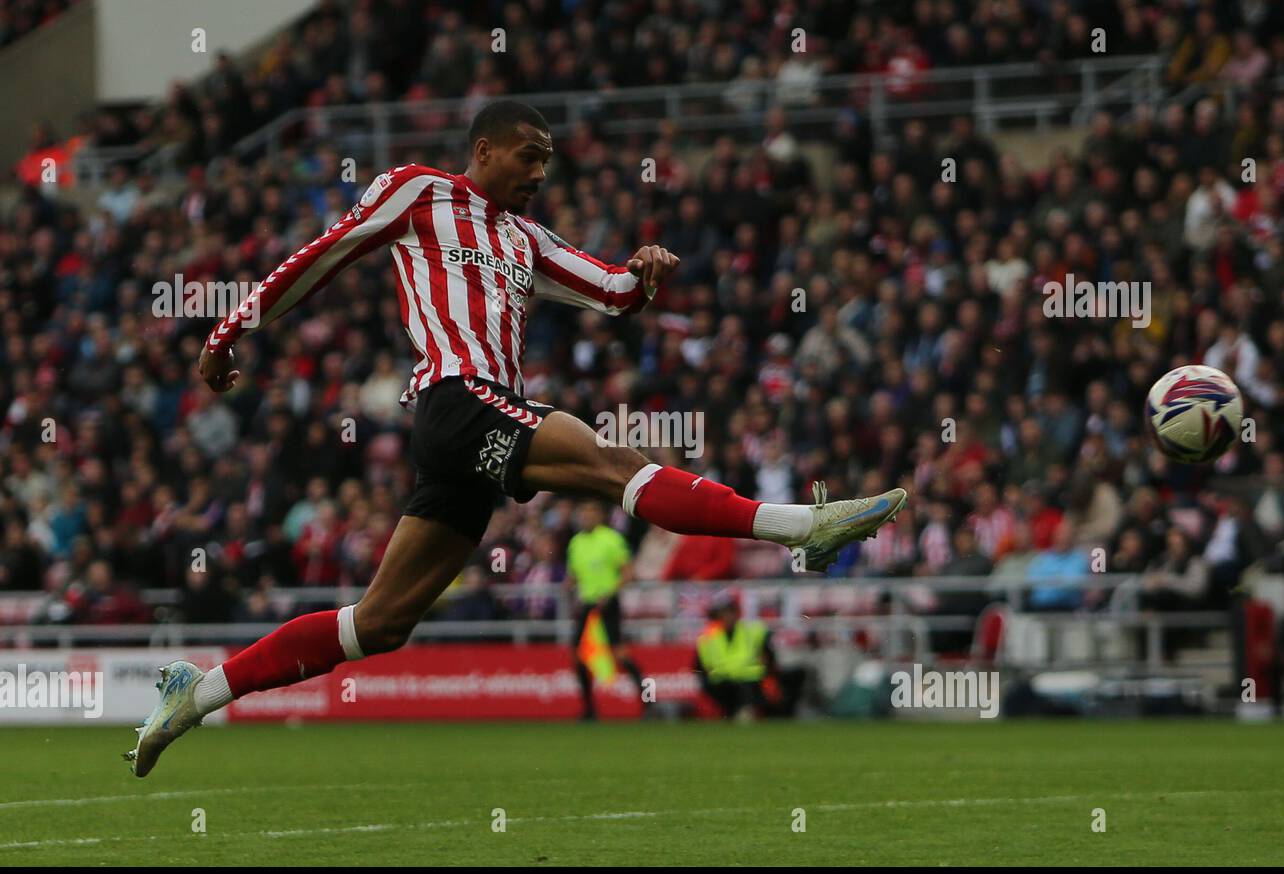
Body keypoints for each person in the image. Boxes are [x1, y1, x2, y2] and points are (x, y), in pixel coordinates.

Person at [125, 100, 906, 777]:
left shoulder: (527, 239)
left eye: (549, 161)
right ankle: (803, 527)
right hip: (454, 400)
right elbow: (321, 257)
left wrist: (643, 270)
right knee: (613, 464)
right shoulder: (417, 192)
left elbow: (610, 291)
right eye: (529, 157)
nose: (539, 172)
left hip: (477, 428)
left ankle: (197, 693)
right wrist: (229, 331)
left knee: (380, 623)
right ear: (485, 150)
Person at [566, 501, 641, 720]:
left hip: (607, 603)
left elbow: (628, 572)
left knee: (619, 654)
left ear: (600, 515)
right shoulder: (576, 542)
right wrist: (569, 587)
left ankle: (648, 703)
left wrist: (610, 594)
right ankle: (589, 709)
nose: (586, 516)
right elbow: (574, 575)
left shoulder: (611, 539)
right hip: (587, 605)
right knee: (578, 656)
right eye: (584, 512)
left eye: (591, 511)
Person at [694, 591, 786, 720]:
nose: (728, 616)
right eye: (724, 612)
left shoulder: (753, 631)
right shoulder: (708, 637)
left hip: (750, 679)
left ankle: (747, 710)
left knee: (752, 689)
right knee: (717, 688)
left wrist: (769, 676)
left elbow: (768, 657)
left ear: (737, 613)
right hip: (722, 681)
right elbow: (699, 666)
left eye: (730, 611)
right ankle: (736, 712)